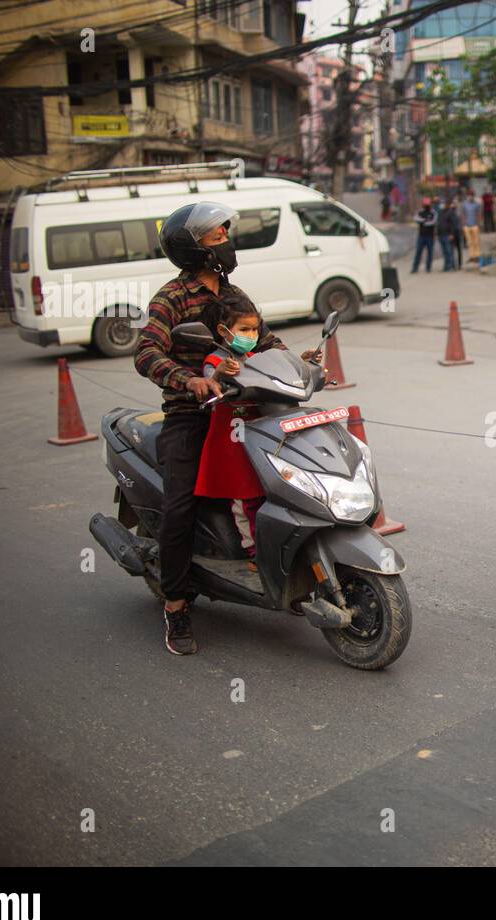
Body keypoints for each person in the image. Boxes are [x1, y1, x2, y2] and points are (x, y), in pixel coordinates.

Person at [134, 201, 292, 656]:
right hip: (191, 414)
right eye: (217, 237)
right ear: (192, 248)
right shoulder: (172, 298)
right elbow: (146, 353)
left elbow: (264, 339)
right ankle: (177, 605)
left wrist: (297, 365)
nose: (227, 242)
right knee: (180, 506)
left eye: (226, 234)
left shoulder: (233, 291)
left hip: (241, 411)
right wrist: (190, 380)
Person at [195, 291, 273, 572]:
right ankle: (254, 552)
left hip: (259, 435)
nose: (251, 334)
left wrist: (303, 360)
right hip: (232, 442)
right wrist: (219, 375)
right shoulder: (216, 361)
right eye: (244, 329)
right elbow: (208, 382)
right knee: (245, 500)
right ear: (223, 331)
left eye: (254, 329)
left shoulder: (254, 355)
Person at [412, 198, 437, 273]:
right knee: (418, 252)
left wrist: (424, 222)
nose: (426, 206)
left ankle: (428, 267)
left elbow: (433, 222)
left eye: (427, 204)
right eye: (425, 204)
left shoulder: (433, 213)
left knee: (430, 253)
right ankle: (415, 268)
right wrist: (424, 220)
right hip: (421, 236)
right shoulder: (420, 212)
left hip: (430, 236)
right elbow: (416, 218)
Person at [437, 199, 460, 271]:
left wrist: (452, 234)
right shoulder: (440, 213)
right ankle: (446, 266)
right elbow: (438, 224)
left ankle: (452, 266)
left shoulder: (450, 212)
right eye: (441, 204)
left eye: (443, 203)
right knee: (445, 253)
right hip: (441, 235)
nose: (442, 205)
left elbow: (453, 224)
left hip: (448, 235)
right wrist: (437, 234)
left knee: (450, 251)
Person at [461, 190, 483, 262]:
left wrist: (479, 224)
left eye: (471, 195)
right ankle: (472, 256)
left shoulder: (477, 204)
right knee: (469, 242)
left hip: (475, 225)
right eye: (469, 195)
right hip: (467, 225)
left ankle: (477, 255)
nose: (470, 196)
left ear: (473, 196)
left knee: (476, 241)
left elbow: (479, 214)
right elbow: (463, 214)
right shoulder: (464, 204)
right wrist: (463, 224)